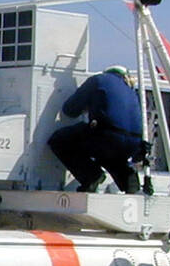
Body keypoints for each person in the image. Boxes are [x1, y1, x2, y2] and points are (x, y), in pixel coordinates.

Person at [49, 65, 144, 194]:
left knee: (59, 140)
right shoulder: (132, 90)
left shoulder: (98, 80)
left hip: (107, 137)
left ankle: (91, 175)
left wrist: (87, 105)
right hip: (133, 145)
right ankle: (130, 183)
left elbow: (69, 110)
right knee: (111, 154)